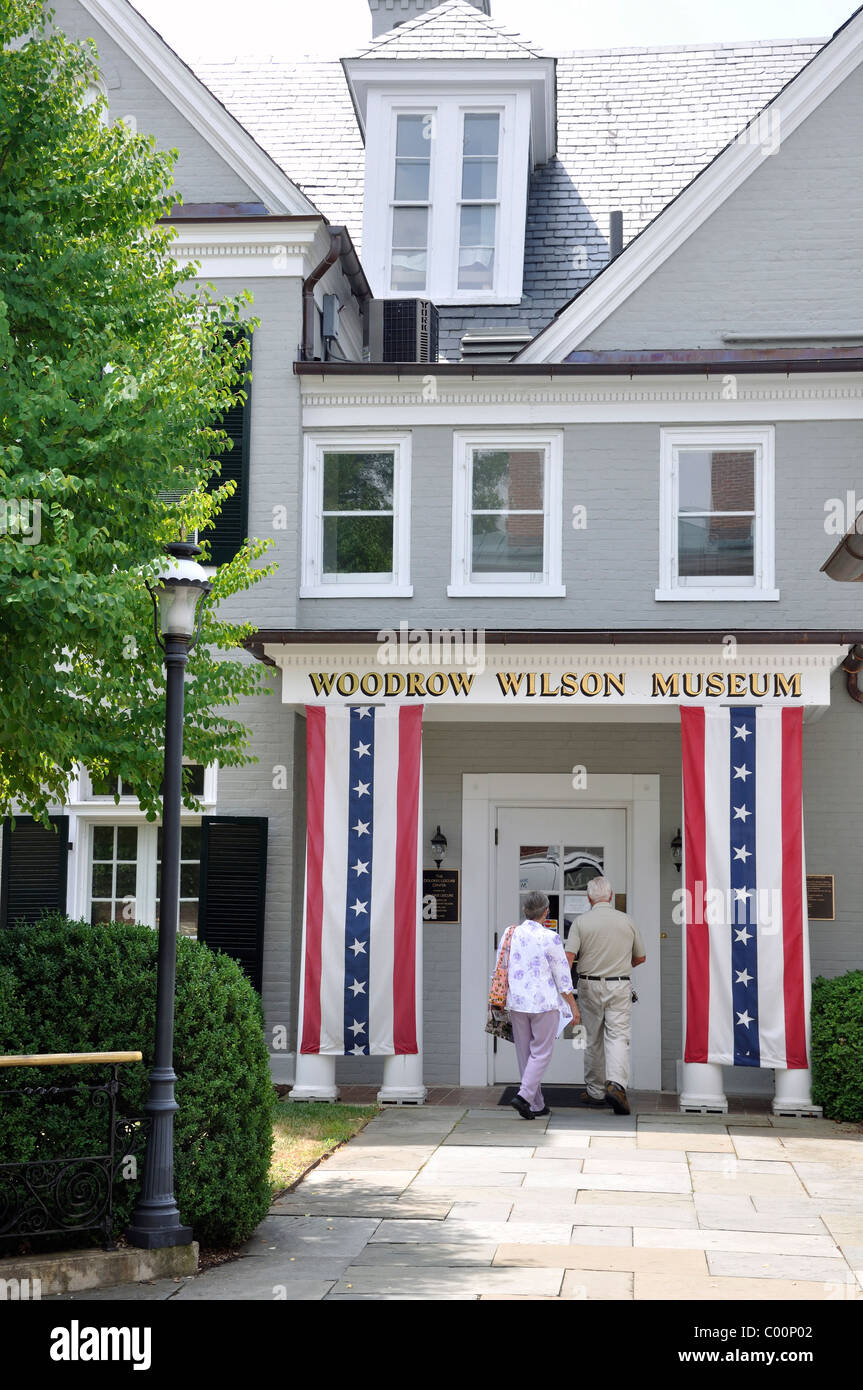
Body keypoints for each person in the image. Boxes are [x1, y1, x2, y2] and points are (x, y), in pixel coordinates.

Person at [565, 876, 646, 1116]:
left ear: (589, 898)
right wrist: (620, 965)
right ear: (610, 896)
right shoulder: (627, 921)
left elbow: (568, 957)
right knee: (618, 1036)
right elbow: (640, 957)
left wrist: (565, 989)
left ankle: (595, 1091)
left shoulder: (580, 922)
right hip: (619, 985)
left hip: (589, 985)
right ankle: (617, 1086)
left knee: (593, 1038)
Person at [498, 889, 579, 1120]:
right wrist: (573, 1006)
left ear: (524, 910)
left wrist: (499, 999)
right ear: (546, 912)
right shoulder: (550, 937)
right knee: (541, 1053)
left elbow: (500, 966)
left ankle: (536, 1104)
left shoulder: (509, 933)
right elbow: (563, 977)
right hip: (544, 1003)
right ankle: (524, 1097)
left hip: (517, 1002)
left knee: (525, 1054)